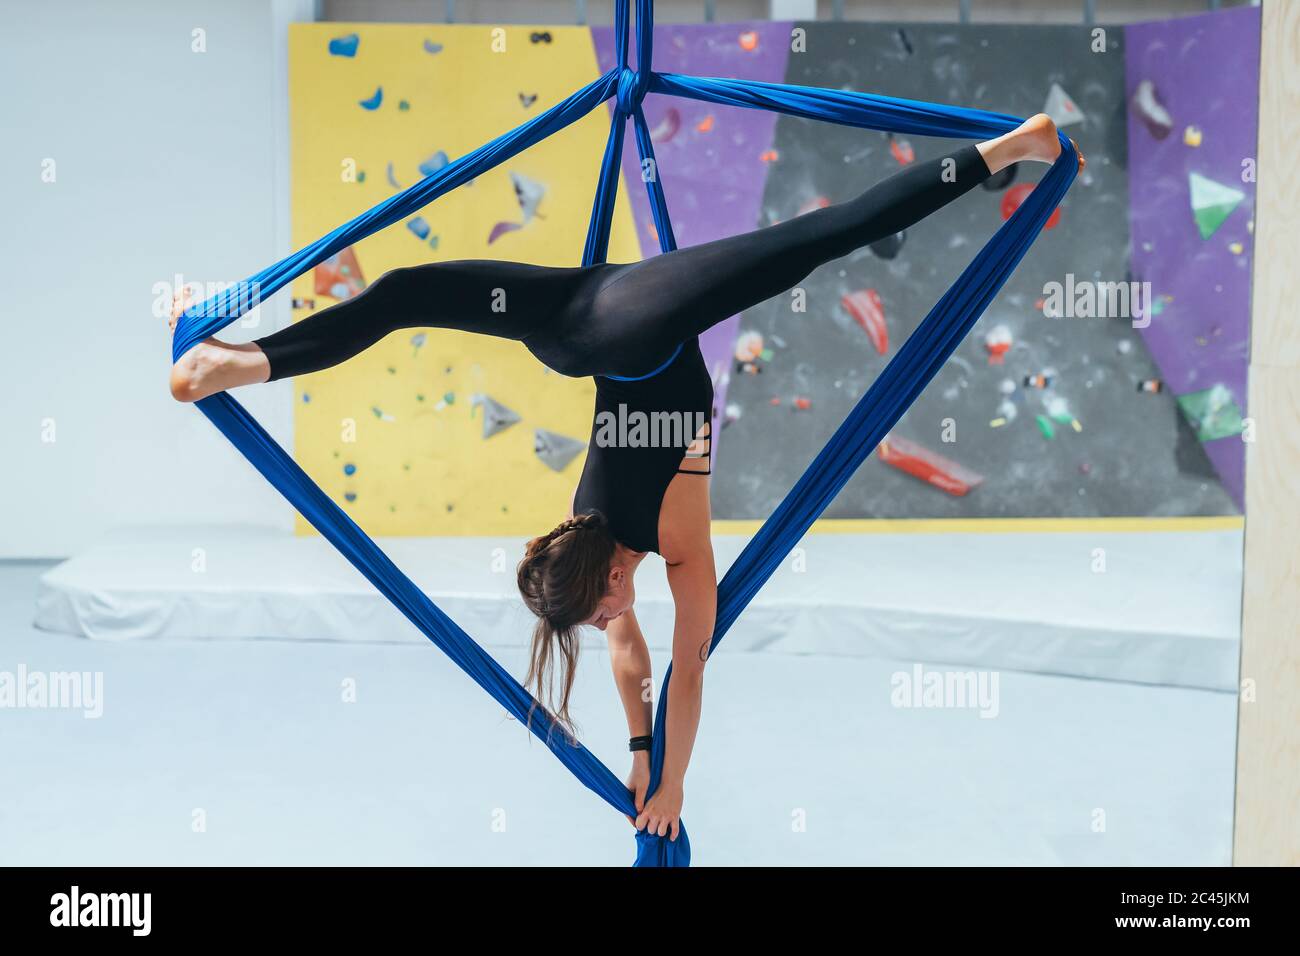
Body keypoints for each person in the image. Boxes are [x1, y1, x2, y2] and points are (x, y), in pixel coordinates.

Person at [170, 114, 1082, 842]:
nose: (612, 623)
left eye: (604, 611)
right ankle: (236, 362)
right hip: (566, 325)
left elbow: (687, 669)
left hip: (639, 324)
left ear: (610, 579)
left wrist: (675, 776)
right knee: (408, 289)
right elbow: (634, 658)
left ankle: (1015, 145)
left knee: (827, 234)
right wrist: (642, 751)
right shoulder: (587, 535)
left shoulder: (677, 553)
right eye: (603, 617)